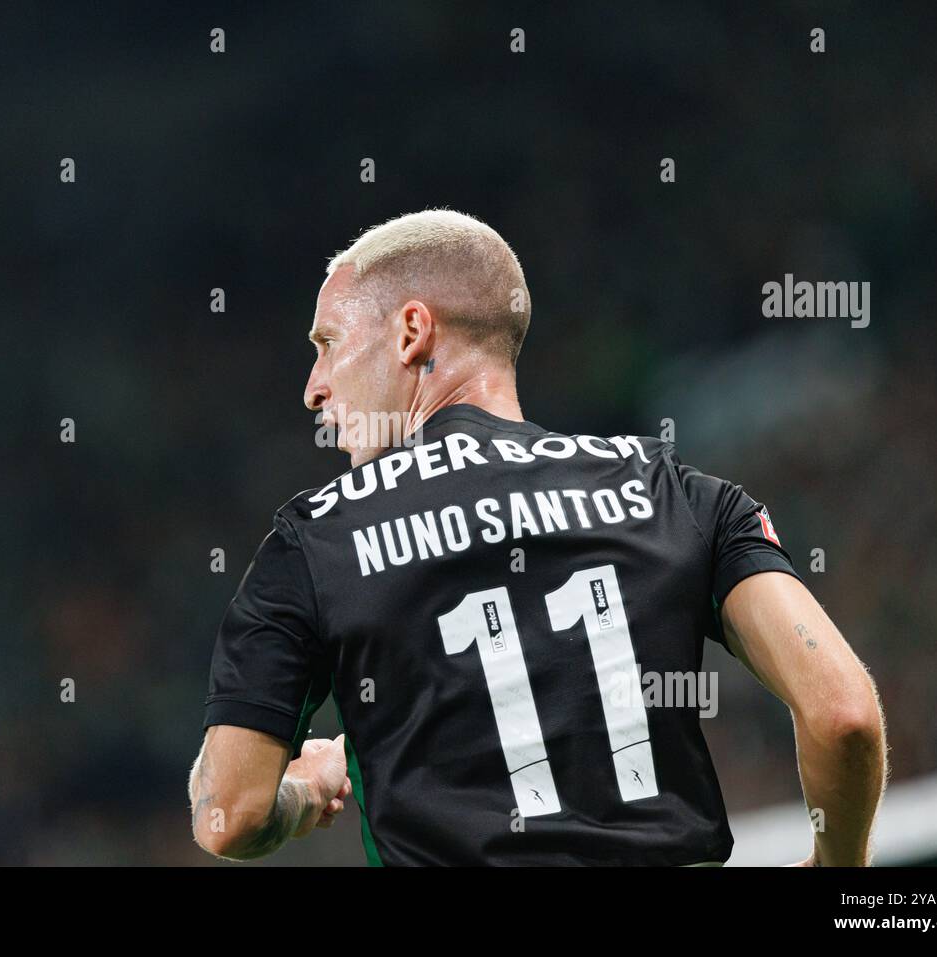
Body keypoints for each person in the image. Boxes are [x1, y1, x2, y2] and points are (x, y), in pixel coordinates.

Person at [188, 209, 886, 865]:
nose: (313, 389)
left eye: (327, 344)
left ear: (411, 333)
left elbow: (230, 813)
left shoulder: (317, 542)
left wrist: (306, 789)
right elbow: (845, 714)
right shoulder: (672, 490)